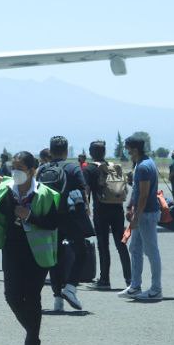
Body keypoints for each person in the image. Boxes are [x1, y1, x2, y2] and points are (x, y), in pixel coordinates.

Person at [0, 150, 59, 345]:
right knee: (11, 295)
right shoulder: (6, 190)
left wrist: (29, 215)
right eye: (14, 168)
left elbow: (53, 224)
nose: (15, 172)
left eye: (20, 169)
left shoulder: (47, 194)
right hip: (12, 248)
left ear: (32, 170)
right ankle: (32, 331)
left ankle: (33, 344)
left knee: (32, 297)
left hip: (36, 253)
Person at [42, 136, 88, 312]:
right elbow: (83, 191)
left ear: (51, 151)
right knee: (81, 251)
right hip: (69, 217)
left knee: (54, 257)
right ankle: (70, 288)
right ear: (66, 151)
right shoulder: (72, 167)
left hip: (49, 217)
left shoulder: (43, 169)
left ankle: (57, 299)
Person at [121, 134, 162, 300]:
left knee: (151, 251)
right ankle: (135, 286)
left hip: (146, 214)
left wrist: (136, 216)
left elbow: (144, 195)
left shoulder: (144, 167)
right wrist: (131, 205)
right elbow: (137, 192)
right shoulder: (143, 163)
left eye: (128, 149)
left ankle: (156, 289)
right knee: (135, 248)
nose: (126, 151)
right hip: (140, 212)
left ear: (134, 149)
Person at [85, 140, 130, 289]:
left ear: (91, 153)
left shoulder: (90, 169)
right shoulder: (113, 166)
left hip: (101, 210)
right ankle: (130, 279)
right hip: (117, 209)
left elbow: (87, 191)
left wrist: (87, 209)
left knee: (103, 245)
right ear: (104, 152)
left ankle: (104, 280)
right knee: (121, 244)